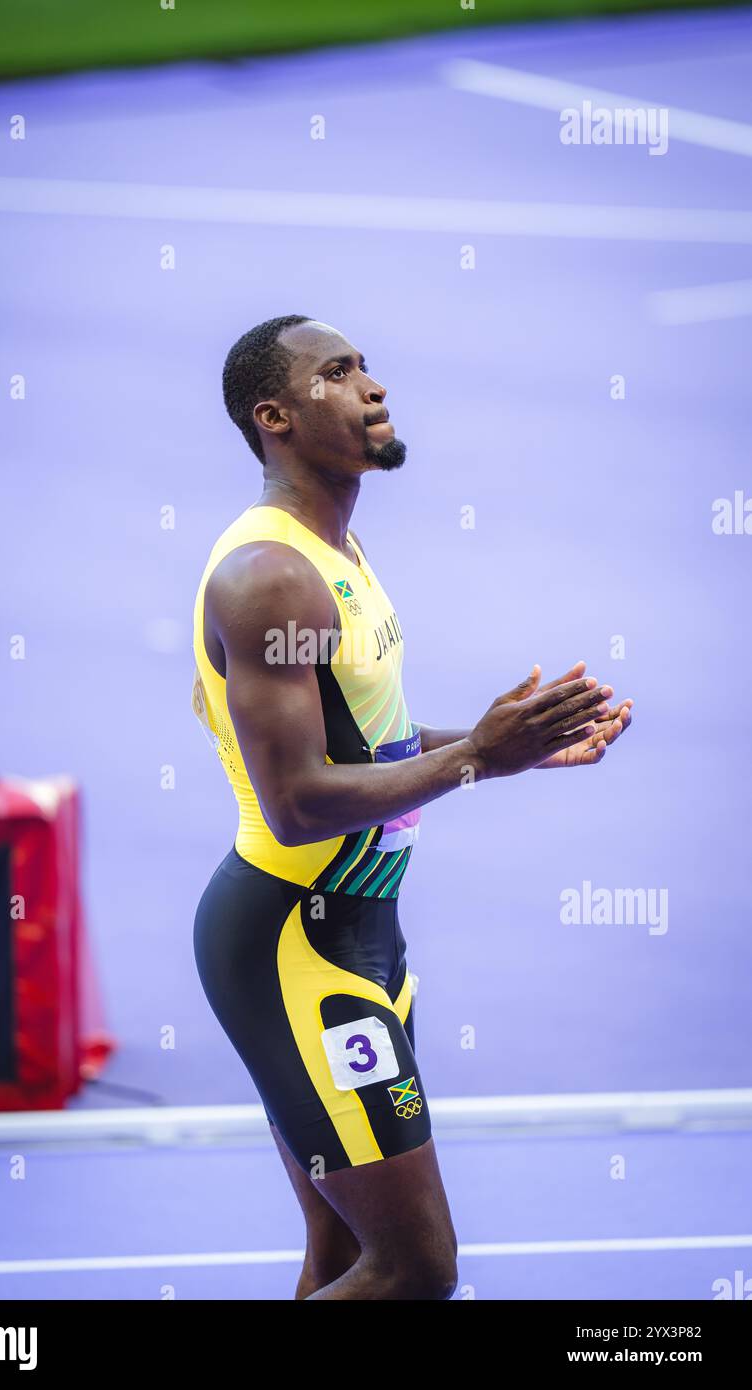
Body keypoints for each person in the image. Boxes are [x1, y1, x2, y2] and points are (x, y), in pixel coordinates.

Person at [191, 315, 633, 1300]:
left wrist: (505, 755)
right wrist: (476, 755)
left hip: (358, 934)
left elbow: (363, 746)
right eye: (336, 374)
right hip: (293, 942)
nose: (372, 387)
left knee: (348, 1256)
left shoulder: (335, 550)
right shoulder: (271, 579)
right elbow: (300, 801)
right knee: (414, 1269)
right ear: (275, 417)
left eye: (364, 366)